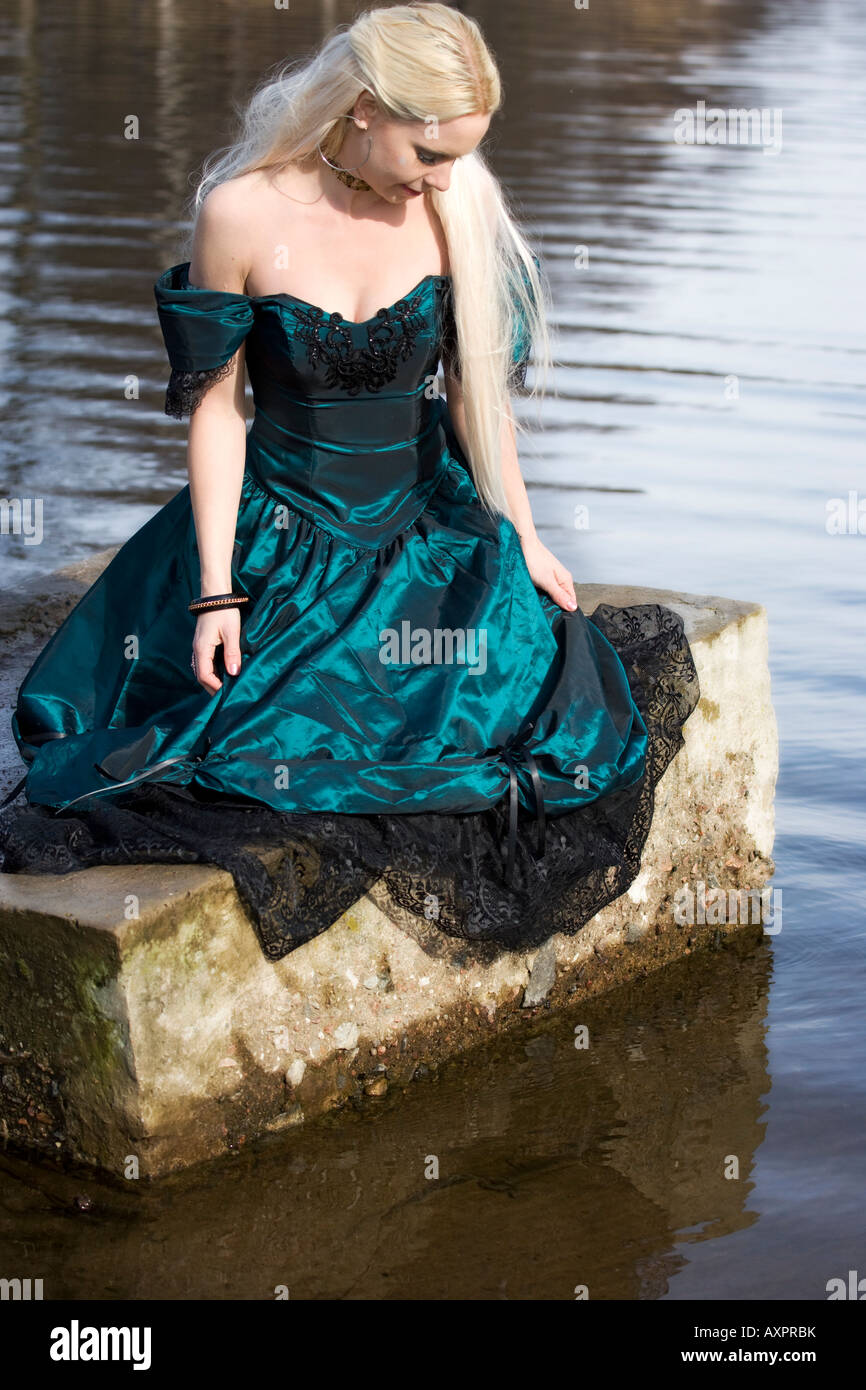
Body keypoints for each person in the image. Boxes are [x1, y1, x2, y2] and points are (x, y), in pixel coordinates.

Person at [0, 3, 699, 961]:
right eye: (429, 153)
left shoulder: (457, 212)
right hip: (277, 525)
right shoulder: (241, 212)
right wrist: (217, 590)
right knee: (238, 738)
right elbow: (216, 408)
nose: (446, 178)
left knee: (511, 712)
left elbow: (477, 403)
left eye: (461, 154)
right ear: (366, 109)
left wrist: (525, 537)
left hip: (428, 526)